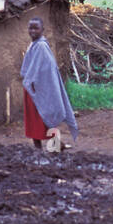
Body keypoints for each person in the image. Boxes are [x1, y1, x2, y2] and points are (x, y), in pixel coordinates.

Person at [20, 17, 78, 150]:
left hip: (40, 90)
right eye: (31, 28)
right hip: (32, 90)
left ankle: (55, 145)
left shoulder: (41, 46)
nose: (33, 31)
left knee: (44, 117)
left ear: (43, 30)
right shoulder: (33, 45)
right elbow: (31, 68)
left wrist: (35, 81)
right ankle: (44, 146)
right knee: (35, 120)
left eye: (36, 28)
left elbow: (48, 69)